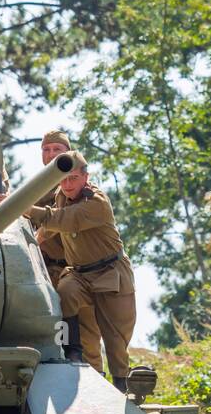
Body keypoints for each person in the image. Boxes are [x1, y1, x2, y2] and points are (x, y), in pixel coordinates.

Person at [26, 150, 137, 391]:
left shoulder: (96, 203)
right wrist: (37, 240)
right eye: (64, 179)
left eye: (73, 178)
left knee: (116, 340)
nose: (67, 184)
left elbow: (64, 220)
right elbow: (53, 225)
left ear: (86, 177)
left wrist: (22, 207)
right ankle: (73, 352)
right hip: (79, 273)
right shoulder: (61, 195)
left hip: (110, 272)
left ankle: (121, 387)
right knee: (64, 293)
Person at [34, 130, 73, 287]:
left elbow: (60, 217)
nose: (51, 154)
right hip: (44, 267)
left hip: (72, 271)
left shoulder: (74, 182)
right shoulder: (38, 186)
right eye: (46, 149)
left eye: (57, 149)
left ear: (67, 153)